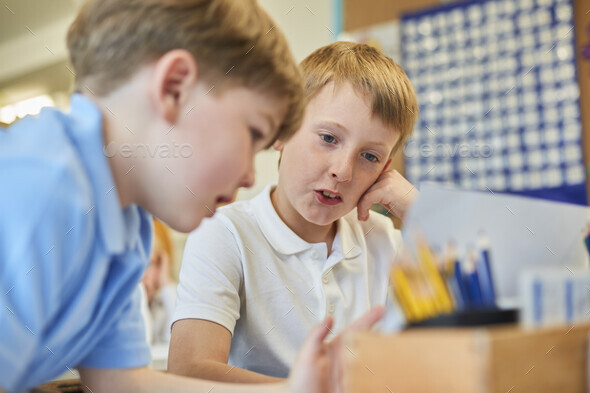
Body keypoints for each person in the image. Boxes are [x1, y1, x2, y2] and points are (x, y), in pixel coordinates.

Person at [0, 1, 381, 392]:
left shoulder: (126, 228)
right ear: (174, 87)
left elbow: (121, 382)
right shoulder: (41, 185)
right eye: (252, 134)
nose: (250, 176)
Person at [168, 41, 420, 382]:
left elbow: (476, 331)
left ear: (385, 169)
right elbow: (189, 372)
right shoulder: (224, 232)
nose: (343, 171)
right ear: (283, 130)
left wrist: (417, 209)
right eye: (329, 138)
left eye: (370, 157)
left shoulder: (384, 241)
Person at [140, 219, 177, 345]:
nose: (144, 273)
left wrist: (166, 284)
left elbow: (176, 341)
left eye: (151, 263)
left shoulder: (161, 304)